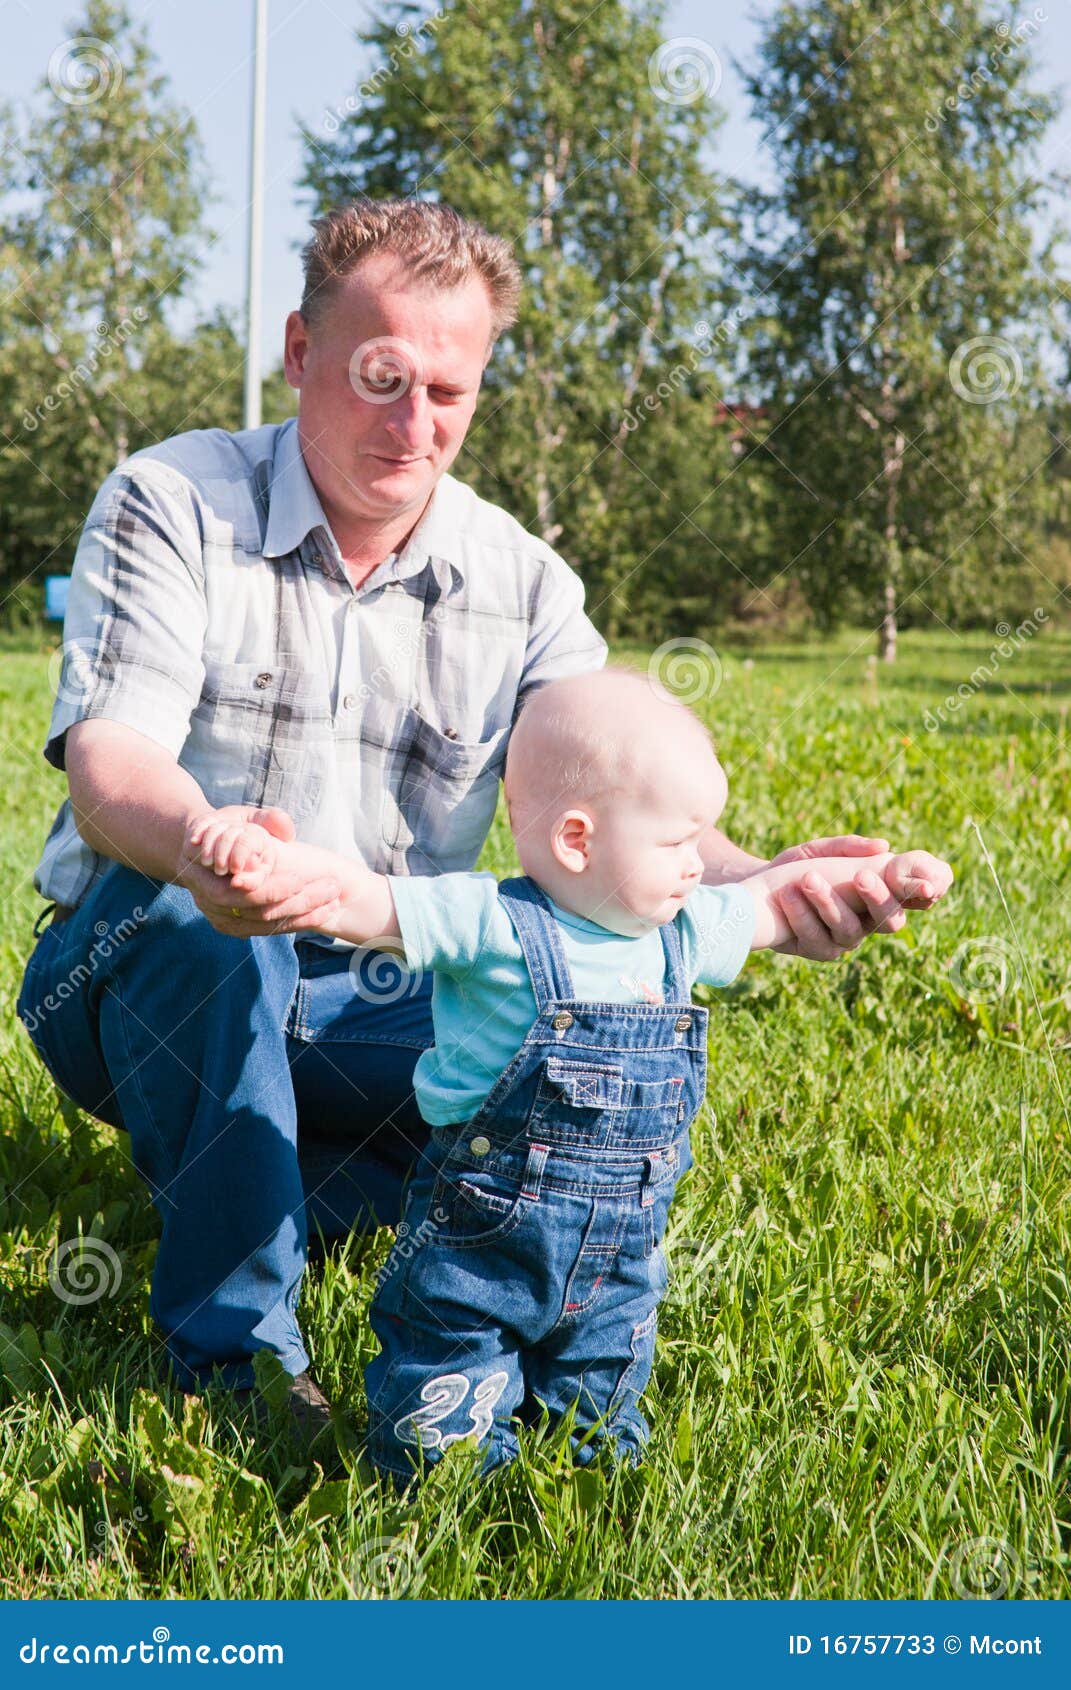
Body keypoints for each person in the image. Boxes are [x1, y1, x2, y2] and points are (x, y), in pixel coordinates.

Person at [16, 198, 945, 1444]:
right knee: (204, 930)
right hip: (142, 960)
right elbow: (113, 761)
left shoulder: (522, 580)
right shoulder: (175, 500)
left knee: (596, 991)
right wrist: (205, 844)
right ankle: (239, 1369)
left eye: (449, 392)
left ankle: (354, 1204)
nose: (417, 426)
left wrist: (769, 879)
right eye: (382, 376)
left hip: (391, 987)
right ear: (301, 351)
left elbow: (615, 800)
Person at [184, 666, 953, 1480]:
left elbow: (769, 897)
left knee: (600, 1402)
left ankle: (586, 1491)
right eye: (675, 844)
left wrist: (882, 873)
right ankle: (449, 1492)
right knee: (449, 1384)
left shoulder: (681, 931)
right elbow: (362, 900)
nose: (698, 866)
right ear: (576, 840)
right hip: (480, 1230)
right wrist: (270, 863)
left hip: (623, 1251)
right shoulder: (488, 921)